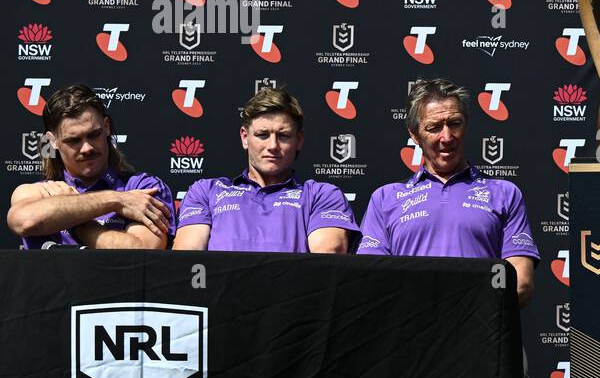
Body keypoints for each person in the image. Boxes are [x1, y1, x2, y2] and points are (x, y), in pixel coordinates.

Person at [357, 79, 539, 308]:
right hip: (413, 337)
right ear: (414, 134)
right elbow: (371, 283)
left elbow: (520, 283)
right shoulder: (385, 198)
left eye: (454, 123)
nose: (447, 137)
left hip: (480, 335)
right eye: (434, 127)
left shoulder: (505, 193)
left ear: (466, 125)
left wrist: (464, 318)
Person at [173, 87, 358, 253]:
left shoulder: (322, 196)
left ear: (299, 140)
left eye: (283, 136)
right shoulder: (205, 191)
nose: (273, 145)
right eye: (262, 135)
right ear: (245, 138)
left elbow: (327, 263)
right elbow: (187, 258)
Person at [7, 84, 173, 249]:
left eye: (94, 135)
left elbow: (144, 251)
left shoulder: (143, 188)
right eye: (73, 140)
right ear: (52, 141)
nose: (87, 148)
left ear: (106, 127)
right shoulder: (39, 192)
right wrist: (116, 200)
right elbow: (25, 221)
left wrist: (76, 222)